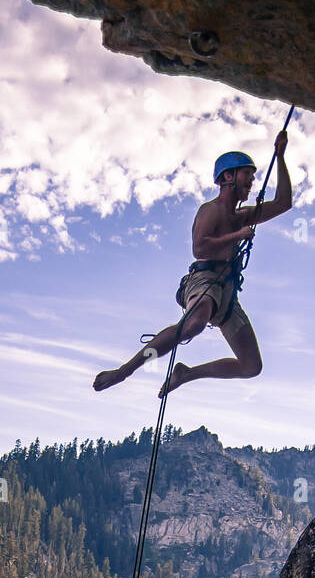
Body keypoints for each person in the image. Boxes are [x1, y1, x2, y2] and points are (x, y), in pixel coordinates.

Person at [93, 130, 291, 399]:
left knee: (251, 366)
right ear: (227, 177)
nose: (252, 180)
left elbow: (284, 202)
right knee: (193, 325)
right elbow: (200, 248)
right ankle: (125, 370)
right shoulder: (211, 210)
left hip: (227, 293)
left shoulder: (243, 215)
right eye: (247, 174)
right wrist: (237, 235)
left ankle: (186, 374)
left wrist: (280, 157)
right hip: (205, 280)